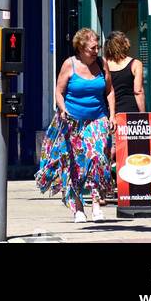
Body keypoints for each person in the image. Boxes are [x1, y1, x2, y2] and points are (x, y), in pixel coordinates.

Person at [36, 27, 115, 222]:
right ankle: (78, 207)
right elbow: (59, 91)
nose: (96, 51)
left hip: (97, 118)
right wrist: (63, 109)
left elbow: (110, 91)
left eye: (98, 47)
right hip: (73, 122)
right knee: (76, 165)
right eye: (92, 48)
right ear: (80, 48)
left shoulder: (102, 64)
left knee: (97, 157)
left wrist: (112, 115)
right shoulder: (69, 65)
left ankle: (96, 204)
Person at [103, 31, 145, 115]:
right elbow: (138, 91)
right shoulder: (136, 64)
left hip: (108, 110)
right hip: (130, 110)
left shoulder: (103, 64)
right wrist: (143, 113)